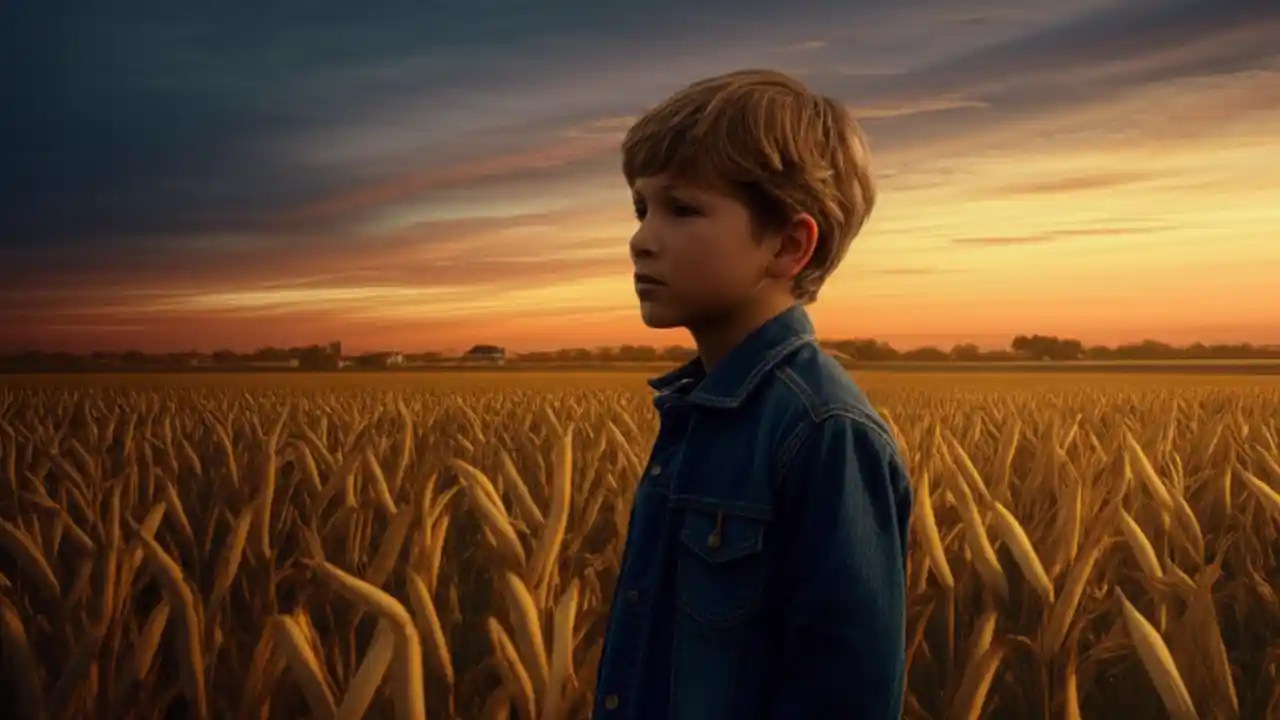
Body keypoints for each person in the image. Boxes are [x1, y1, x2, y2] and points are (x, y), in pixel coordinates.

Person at [590, 69, 914, 719]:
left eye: (681, 209)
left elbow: (845, 697)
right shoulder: (694, 410)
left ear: (790, 245)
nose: (641, 239)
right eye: (641, 208)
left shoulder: (824, 430)